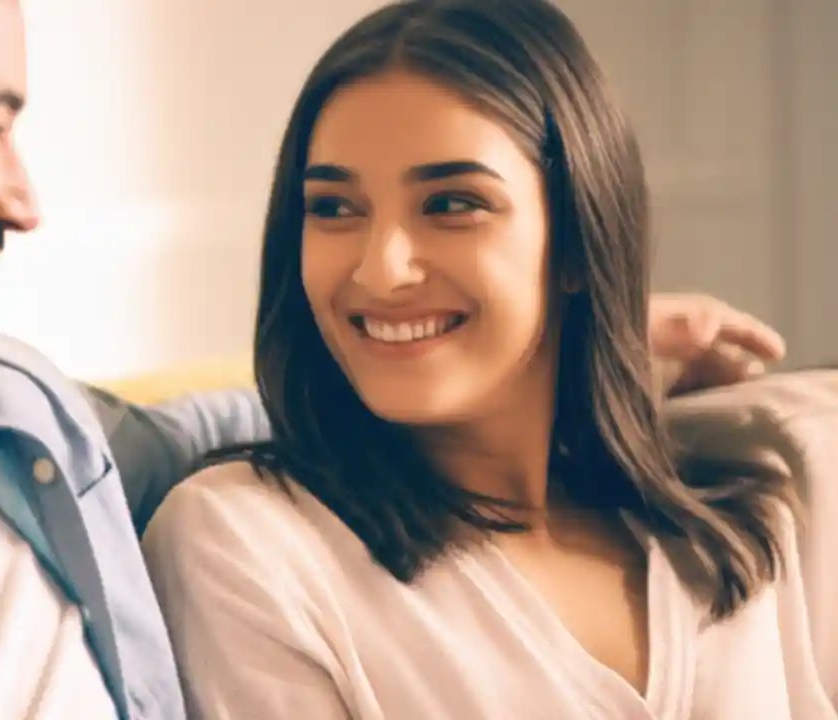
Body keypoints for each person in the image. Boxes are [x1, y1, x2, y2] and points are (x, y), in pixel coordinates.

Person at [0, 0, 791, 719]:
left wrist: (563, 341)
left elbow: (251, 410)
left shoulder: (18, 429)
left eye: (454, 204)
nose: (26, 201)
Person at [141, 1, 836, 718]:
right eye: (334, 208)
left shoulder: (744, 536)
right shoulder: (246, 545)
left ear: (574, 240)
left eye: (450, 204)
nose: (381, 270)